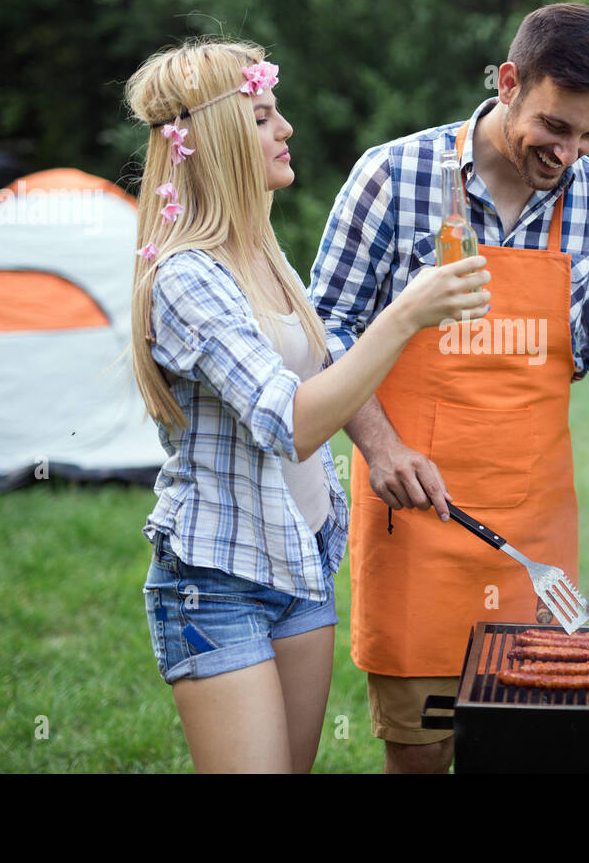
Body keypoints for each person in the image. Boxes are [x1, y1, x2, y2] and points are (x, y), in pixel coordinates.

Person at [309, 4, 589, 773]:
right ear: (508, 82)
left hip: (533, 541)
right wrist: (380, 445)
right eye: (556, 128)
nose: (570, 153)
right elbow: (327, 333)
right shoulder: (394, 178)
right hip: (413, 524)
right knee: (420, 758)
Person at [126, 39, 490, 773]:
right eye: (263, 117)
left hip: (301, 562)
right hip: (218, 580)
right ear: (223, 141)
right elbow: (289, 424)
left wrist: (389, 441)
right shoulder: (184, 278)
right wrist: (405, 316)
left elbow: (325, 368)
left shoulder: (259, 251)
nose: (285, 128)